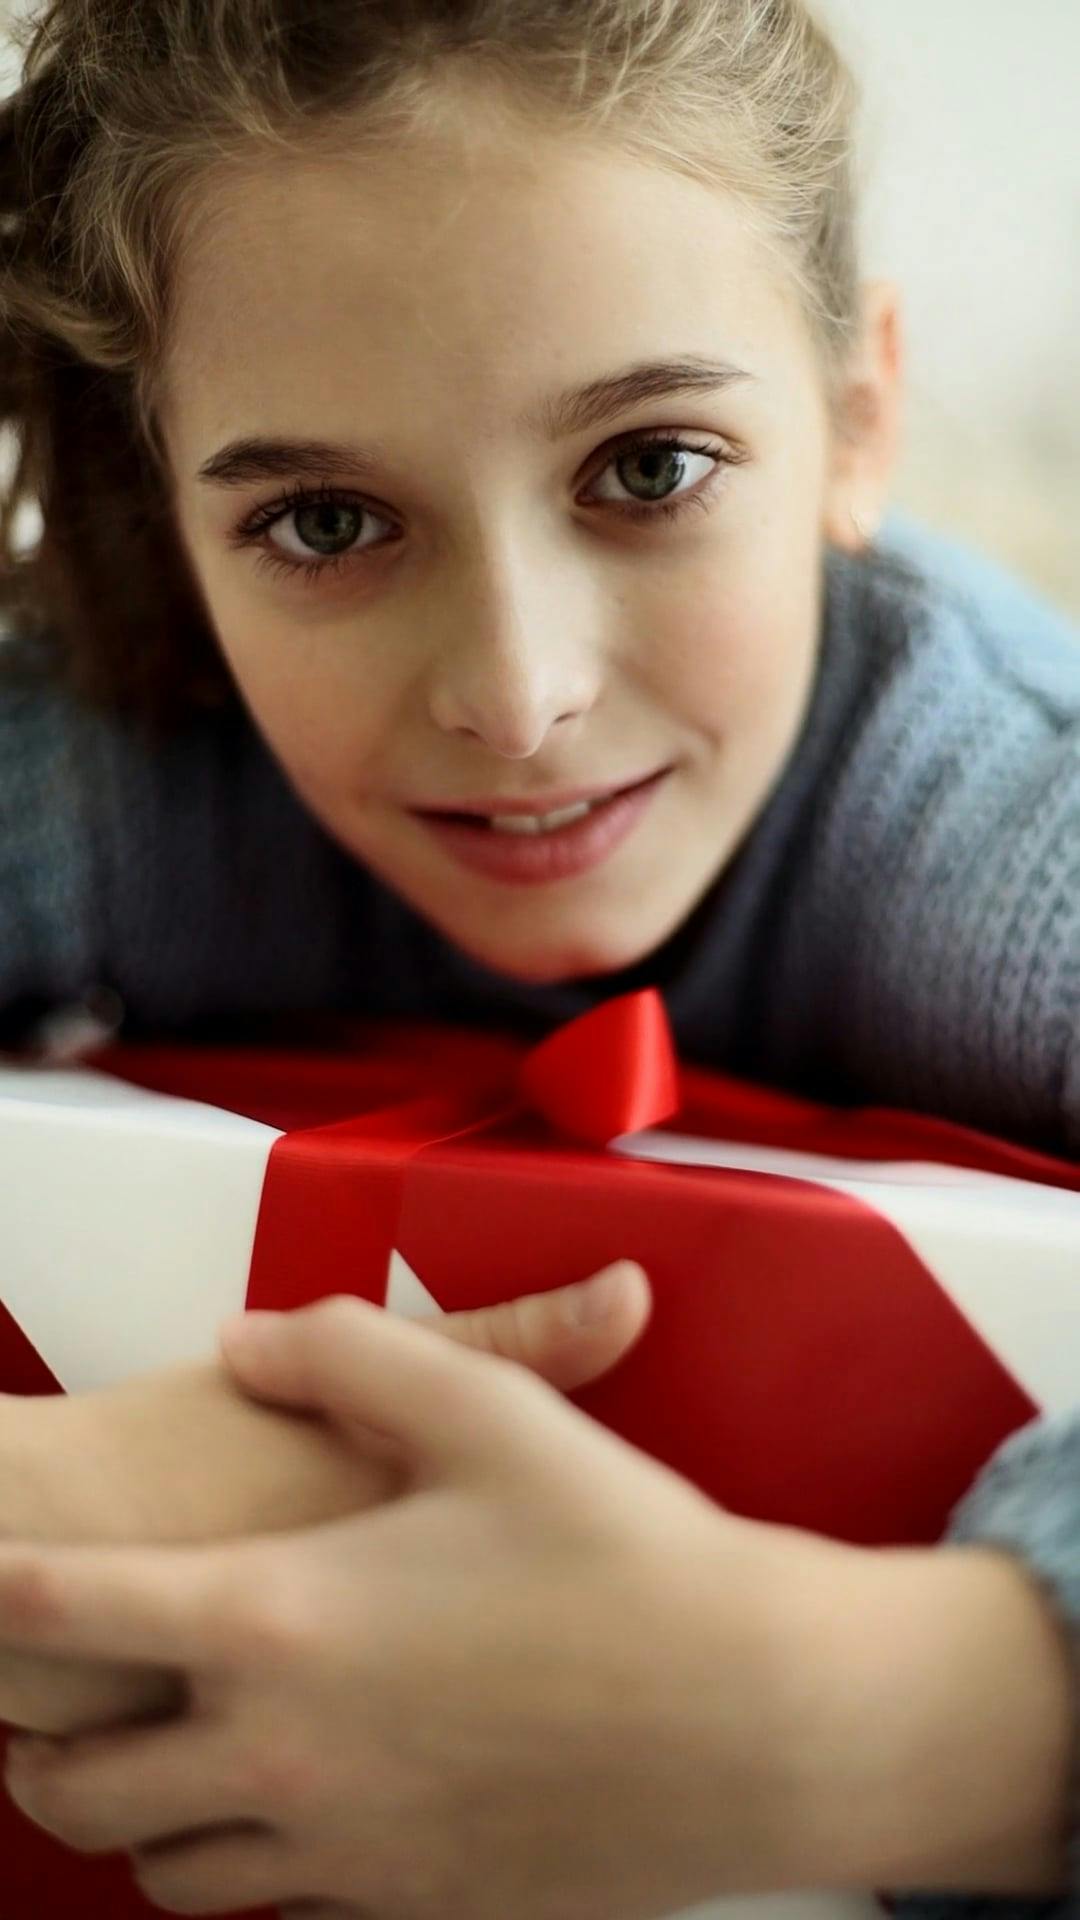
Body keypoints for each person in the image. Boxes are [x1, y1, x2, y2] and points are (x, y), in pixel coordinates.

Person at [0, 0, 1077, 1913]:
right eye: (327, 521)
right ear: (167, 513)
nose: (516, 696)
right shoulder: (130, 767)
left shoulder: (1008, 850)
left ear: (856, 424)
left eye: (649, 469)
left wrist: (861, 1725)